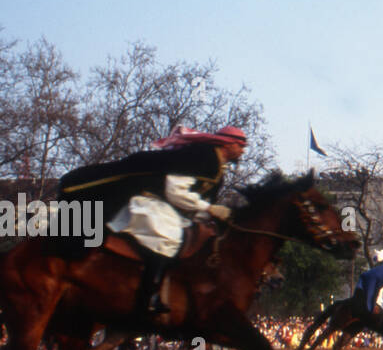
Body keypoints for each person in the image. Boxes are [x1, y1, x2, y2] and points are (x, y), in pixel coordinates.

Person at [59, 125, 246, 314]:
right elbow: (175, 191)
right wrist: (209, 208)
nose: (243, 150)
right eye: (240, 145)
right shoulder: (203, 156)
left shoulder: (217, 169)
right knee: (169, 237)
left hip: (171, 207)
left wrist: (212, 216)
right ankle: (147, 297)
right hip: (149, 197)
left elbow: (195, 204)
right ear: (228, 144)